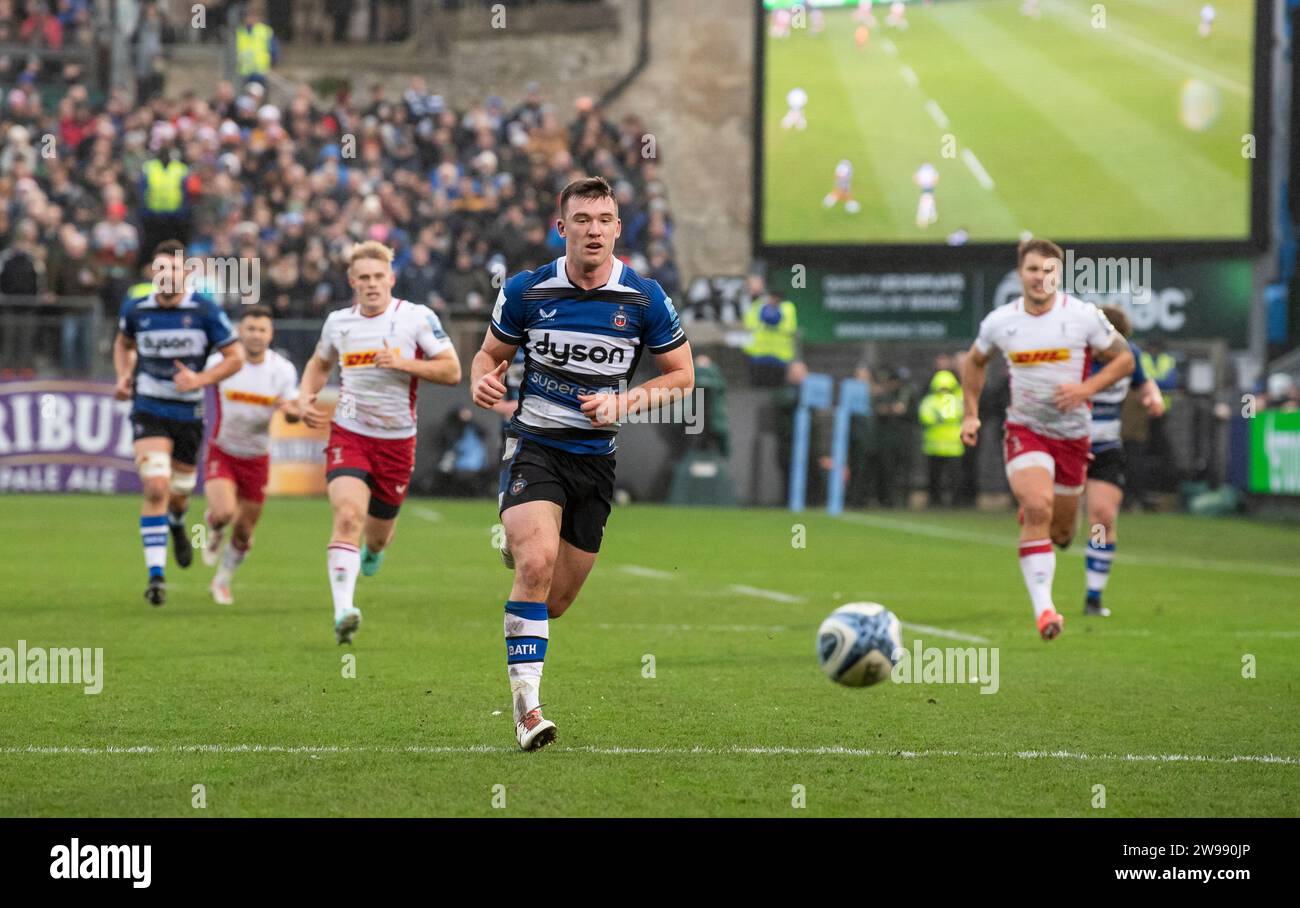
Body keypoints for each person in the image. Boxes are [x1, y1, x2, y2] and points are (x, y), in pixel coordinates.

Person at [469, 176, 692, 751]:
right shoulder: (527, 290)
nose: (594, 230)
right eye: (583, 220)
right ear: (561, 227)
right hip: (535, 446)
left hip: (595, 462)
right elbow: (488, 356)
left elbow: (682, 377)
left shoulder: (644, 298)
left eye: (605, 220)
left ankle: (519, 548)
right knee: (536, 563)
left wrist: (624, 402)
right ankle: (527, 710)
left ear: (617, 229)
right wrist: (481, 382)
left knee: (556, 601)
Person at [960, 237, 1134, 640]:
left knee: (1062, 534)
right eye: (1033, 269)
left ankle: (1036, 515)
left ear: (1060, 274)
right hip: (1025, 430)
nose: (1040, 277)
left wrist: (1086, 389)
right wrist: (970, 413)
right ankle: (1045, 612)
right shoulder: (1000, 322)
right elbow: (974, 361)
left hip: (1073, 437)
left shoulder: (1083, 317)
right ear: (1020, 273)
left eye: (1048, 270)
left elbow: (1125, 359)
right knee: (1039, 506)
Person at [296, 241, 461, 644]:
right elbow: (319, 363)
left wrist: (403, 363)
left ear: (391, 278)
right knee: (348, 516)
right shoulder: (338, 322)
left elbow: (452, 371)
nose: (371, 284)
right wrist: (304, 397)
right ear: (352, 282)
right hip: (350, 433)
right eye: (363, 278)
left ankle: (373, 551)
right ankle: (343, 611)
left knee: (377, 536)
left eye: (378, 277)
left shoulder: (416, 318)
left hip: (396, 442)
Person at [113, 240, 245, 606]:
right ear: (151, 273)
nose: (166, 276)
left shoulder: (204, 310)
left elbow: (234, 357)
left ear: (186, 273)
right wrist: (124, 376)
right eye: (160, 269)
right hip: (149, 407)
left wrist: (200, 379)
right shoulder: (136, 309)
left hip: (188, 413)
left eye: (173, 269)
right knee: (156, 486)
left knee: (179, 493)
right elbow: (123, 343)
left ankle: (177, 524)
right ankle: (156, 576)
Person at [201, 306, 301, 605]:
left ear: (270, 334)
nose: (256, 335)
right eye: (251, 329)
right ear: (240, 332)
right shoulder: (221, 362)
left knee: (244, 531)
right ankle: (212, 528)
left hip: (257, 457)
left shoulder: (282, 370)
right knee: (223, 513)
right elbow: (198, 385)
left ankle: (222, 581)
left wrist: (290, 412)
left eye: (262, 330)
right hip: (223, 450)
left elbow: (294, 412)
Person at [1083, 306, 1164, 617]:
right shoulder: (1074, 354)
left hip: (1105, 447)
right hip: (1068, 446)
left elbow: (1144, 382)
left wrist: (1153, 396)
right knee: (1057, 527)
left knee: (1102, 519)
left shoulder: (1128, 356)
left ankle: (1093, 596)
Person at [918, 369, 963, 507]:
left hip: (949, 446)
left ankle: (954, 501)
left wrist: (938, 418)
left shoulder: (954, 399)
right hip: (938, 445)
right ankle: (936, 500)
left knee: (953, 476)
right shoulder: (935, 401)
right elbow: (925, 416)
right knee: (935, 476)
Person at [743, 287, 798, 387]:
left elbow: (788, 327)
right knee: (757, 386)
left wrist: (771, 315)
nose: (772, 300)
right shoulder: (758, 306)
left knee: (777, 386)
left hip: (780, 357)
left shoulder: (787, 308)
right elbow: (749, 324)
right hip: (758, 355)